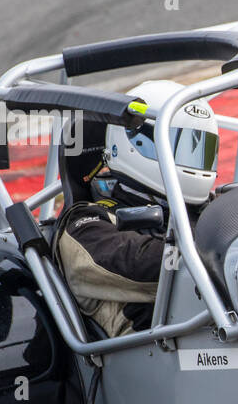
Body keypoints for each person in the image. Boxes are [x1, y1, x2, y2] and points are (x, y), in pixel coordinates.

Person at [55, 80, 219, 337]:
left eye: (200, 148)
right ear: (137, 143)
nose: (194, 159)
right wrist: (227, 250)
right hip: (162, 351)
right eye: (182, 146)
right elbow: (148, 265)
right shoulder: (87, 225)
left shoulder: (209, 208)